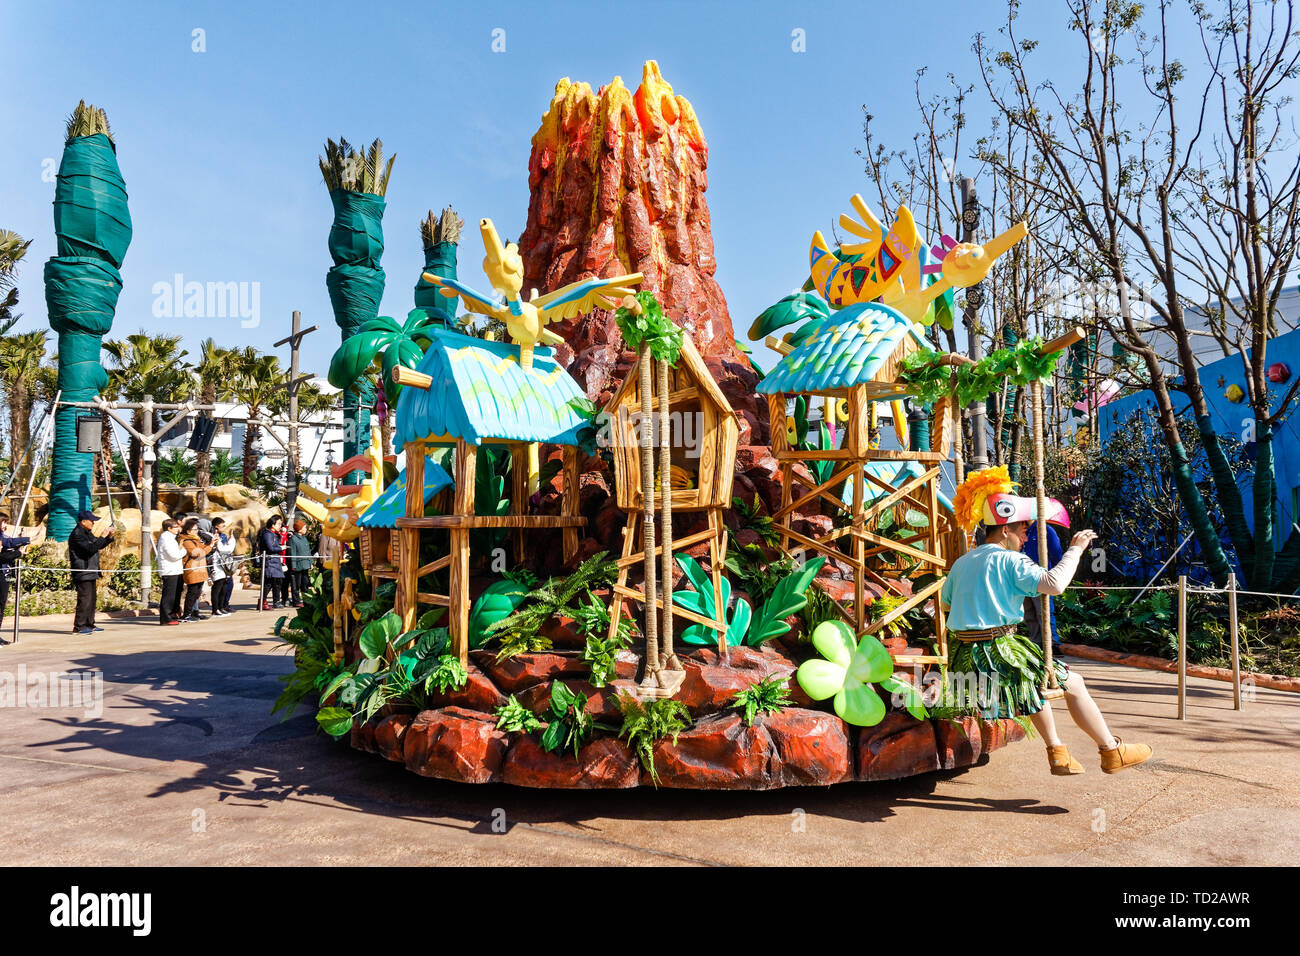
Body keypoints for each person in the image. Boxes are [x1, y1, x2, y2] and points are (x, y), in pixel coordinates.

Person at [939, 467, 1152, 776]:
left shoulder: (962, 562)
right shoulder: (1011, 560)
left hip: (964, 658)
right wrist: (1075, 550)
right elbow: (1054, 584)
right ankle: (1111, 750)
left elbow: (946, 603)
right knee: (1072, 683)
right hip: (997, 651)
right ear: (1005, 529)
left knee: (1032, 684)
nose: (1027, 537)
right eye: (1023, 530)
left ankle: (1058, 751)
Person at [67, 510, 115, 635]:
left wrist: (109, 537)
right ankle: (79, 626)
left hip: (91, 570)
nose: (93, 523)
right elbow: (90, 548)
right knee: (84, 600)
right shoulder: (77, 534)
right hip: (83, 571)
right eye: (91, 521)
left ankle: (89, 624)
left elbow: (97, 545)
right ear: (83, 522)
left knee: (91, 600)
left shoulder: (87, 533)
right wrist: (102, 536)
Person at [1023, 520, 1065, 653]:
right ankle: (1036, 642)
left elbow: (1057, 554)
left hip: (1041, 577)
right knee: (1028, 612)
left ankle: (1052, 643)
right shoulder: (1019, 529)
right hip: (1023, 578)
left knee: (1044, 612)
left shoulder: (1046, 530)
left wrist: (1055, 575)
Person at [0, 511, 34, 632]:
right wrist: (19, 551)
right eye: (3, 522)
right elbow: (3, 555)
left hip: (5, 573)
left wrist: (21, 544)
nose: (5, 525)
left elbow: (9, 543)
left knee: (2, 604)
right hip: (1, 573)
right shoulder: (1, 538)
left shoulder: (3, 536)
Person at [178, 517, 213, 621]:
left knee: (197, 592)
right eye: (195, 529)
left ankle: (195, 612)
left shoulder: (195, 539)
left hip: (200, 569)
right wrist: (210, 546)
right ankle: (186, 615)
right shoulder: (185, 540)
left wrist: (211, 543)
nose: (197, 531)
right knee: (192, 593)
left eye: (197, 529)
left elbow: (202, 548)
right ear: (188, 530)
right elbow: (197, 553)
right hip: (192, 569)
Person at [156, 519, 185, 625]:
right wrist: (183, 550)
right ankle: (166, 618)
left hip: (175, 570)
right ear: (169, 528)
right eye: (175, 527)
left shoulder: (171, 538)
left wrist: (180, 548)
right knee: (169, 595)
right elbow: (174, 555)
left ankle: (173, 613)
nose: (178, 529)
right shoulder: (166, 538)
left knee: (176, 593)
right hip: (169, 571)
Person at [209, 518, 237, 616]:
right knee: (217, 587)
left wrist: (230, 540)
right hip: (216, 564)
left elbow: (227, 549)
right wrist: (232, 541)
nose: (224, 527)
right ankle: (215, 609)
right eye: (222, 526)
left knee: (224, 587)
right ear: (216, 527)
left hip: (225, 564)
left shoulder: (223, 536)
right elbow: (223, 549)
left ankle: (222, 607)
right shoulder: (212, 536)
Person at [260, 515, 287, 609]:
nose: (280, 526)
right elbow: (270, 548)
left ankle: (276, 601)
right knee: (268, 583)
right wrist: (281, 548)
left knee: (277, 582)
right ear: (272, 524)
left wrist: (283, 533)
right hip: (270, 561)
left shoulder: (275, 534)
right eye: (278, 524)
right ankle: (262, 601)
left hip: (276, 561)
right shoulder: (267, 534)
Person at [286, 517, 313, 608]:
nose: (306, 529)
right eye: (304, 527)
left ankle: (306, 600)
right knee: (296, 585)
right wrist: (293, 565)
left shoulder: (304, 538)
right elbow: (292, 553)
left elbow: (308, 551)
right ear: (299, 529)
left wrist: (310, 562)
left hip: (305, 565)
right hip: (297, 566)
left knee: (305, 584)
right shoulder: (293, 539)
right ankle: (296, 601)